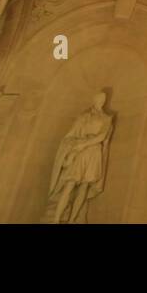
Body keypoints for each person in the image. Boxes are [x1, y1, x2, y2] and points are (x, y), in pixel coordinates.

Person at [49, 91, 114, 223]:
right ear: (94, 99)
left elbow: (102, 137)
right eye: (98, 98)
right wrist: (75, 148)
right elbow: (72, 134)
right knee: (70, 184)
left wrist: (84, 144)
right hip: (81, 152)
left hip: (94, 152)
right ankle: (56, 219)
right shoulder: (84, 116)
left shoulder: (107, 119)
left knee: (84, 186)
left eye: (103, 98)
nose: (101, 100)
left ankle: (72, 220)